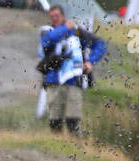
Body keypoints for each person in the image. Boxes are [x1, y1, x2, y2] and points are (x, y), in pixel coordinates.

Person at [38, 6, 106, 135]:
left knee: (73, 120)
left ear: (63, 16)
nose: (54, 19)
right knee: (54, 120)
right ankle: (55, 147)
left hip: (74, 81)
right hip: (53, 80)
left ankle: (74, 148)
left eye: (57, 16)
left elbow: (100, 44)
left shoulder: (76, 33)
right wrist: (65, 28)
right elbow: (48, 40)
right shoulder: (47, 30)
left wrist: (90, 62)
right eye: (52, 16)